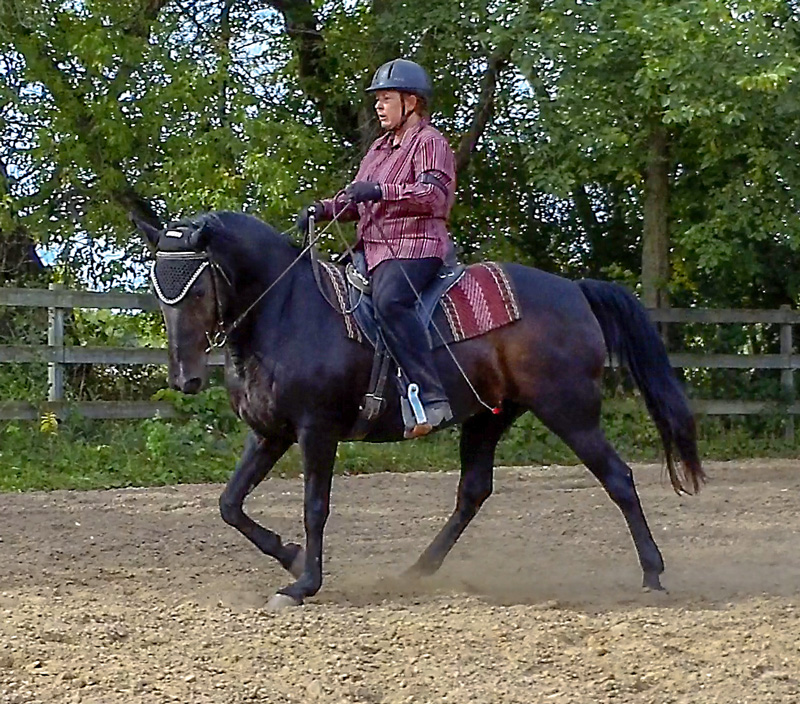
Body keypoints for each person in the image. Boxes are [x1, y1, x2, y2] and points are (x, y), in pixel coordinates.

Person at [297, 58, 456, 438]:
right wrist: (324, 209)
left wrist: (382, 191)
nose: (379, 107)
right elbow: (355, 201)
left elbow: (434, 196)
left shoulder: (431, 143)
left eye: (386, 99)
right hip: (371, 248)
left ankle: (433, 398)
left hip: (416, 246)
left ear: (412, 102)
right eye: (377, 100)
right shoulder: (378, 150)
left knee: (390, 302)